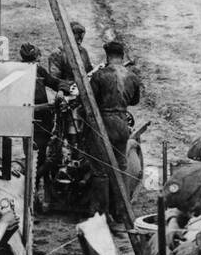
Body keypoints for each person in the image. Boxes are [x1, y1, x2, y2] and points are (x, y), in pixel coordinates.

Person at [89, 39, 142, 176]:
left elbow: (91, 100)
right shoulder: (133, 77)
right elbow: (135, 101)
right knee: (121, 165)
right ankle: (121, 197)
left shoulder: (99, 75)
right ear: (122, 56)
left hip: (104, 125)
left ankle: (103, 197)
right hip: (122, 124)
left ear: (107, 56)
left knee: (100, 169)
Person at [19, 43, 56, 208]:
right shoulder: (19, 75)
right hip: (32, 124)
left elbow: (53, 82)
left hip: (45, 123)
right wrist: (46, 107)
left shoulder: (39, 71)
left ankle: (41, 196)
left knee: (42, 159)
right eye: (35, 59)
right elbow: (22, 107)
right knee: (35, 162)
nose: (37, 62)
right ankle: (32, 199)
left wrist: (66, 87)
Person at [47, 21, 92, 89]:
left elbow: (89, 71)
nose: (79, 42)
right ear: (68, 37)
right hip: (67, 93)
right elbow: (54, 79)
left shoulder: (83, 52)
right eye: (77, 39)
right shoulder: (57, 54)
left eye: (81, 39)